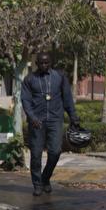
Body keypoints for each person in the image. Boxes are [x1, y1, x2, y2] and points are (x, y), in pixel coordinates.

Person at [21, 52, 81, 196]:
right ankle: (37, 185)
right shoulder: (29, 79)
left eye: (46, 62)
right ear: (37, 63)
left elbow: (67, 98)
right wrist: (32, 117)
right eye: (41, 63)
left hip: (55, 120)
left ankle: (45, 178)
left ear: (50, 62)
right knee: (36, 155)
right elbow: (26, 101)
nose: (44, 65)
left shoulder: (59, 77)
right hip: (37, 122)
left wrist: (73, 117)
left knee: (55, 151)